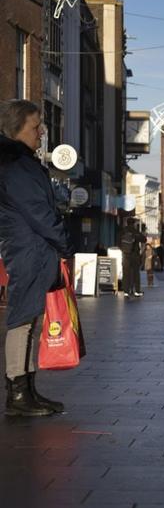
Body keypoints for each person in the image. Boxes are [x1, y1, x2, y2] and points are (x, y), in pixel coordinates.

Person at [0, 99, 73, 416]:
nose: (42, 131)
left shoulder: (21, 162)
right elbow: (40, 213)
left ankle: (27, 390)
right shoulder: (16, 165)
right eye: (35, 125)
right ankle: (17, 395)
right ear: (17, 129)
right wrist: (64, 243)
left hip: (33, 249)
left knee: (31, 319)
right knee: (21, 320)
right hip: (29, 249)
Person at [120, 218, 146, 298]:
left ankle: (126, 291)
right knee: (136, 273)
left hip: (125, 255)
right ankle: (137, 291)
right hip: (135, 255)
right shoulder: (135, 231)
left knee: (126, 273)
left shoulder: (123, 231)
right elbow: (144, 239)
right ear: (134, 223)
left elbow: (118, 242)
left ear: (127, 223)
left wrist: (124, 249)